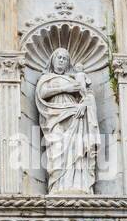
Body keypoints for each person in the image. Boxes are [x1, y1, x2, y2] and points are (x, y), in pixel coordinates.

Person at [36, 47, 99, 194]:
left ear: (68, 63)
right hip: (54, 117)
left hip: (75, 116)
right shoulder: (47, 79)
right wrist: (65, 88)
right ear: (53, 59)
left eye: (65, 59)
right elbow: (42, 93)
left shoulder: (74, 79)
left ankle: (78, 184)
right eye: (59, 57)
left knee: (77, 149)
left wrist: (83, 106)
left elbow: (87, 96)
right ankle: (57, 186)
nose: (61, 61)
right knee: (57, 148)